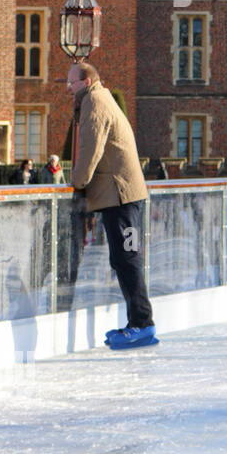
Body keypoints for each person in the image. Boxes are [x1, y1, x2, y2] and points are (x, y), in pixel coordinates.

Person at [67, 62, 156, 349]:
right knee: (123, 259)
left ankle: (142, 324)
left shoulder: (95, 101)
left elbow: (90, 149)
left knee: (128, 258)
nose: (68, 88)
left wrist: (77, 181)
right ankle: (139, 322)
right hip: (121, 196)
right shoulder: (98, 98)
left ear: (88, 80)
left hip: (121, 196)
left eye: (73, 82)